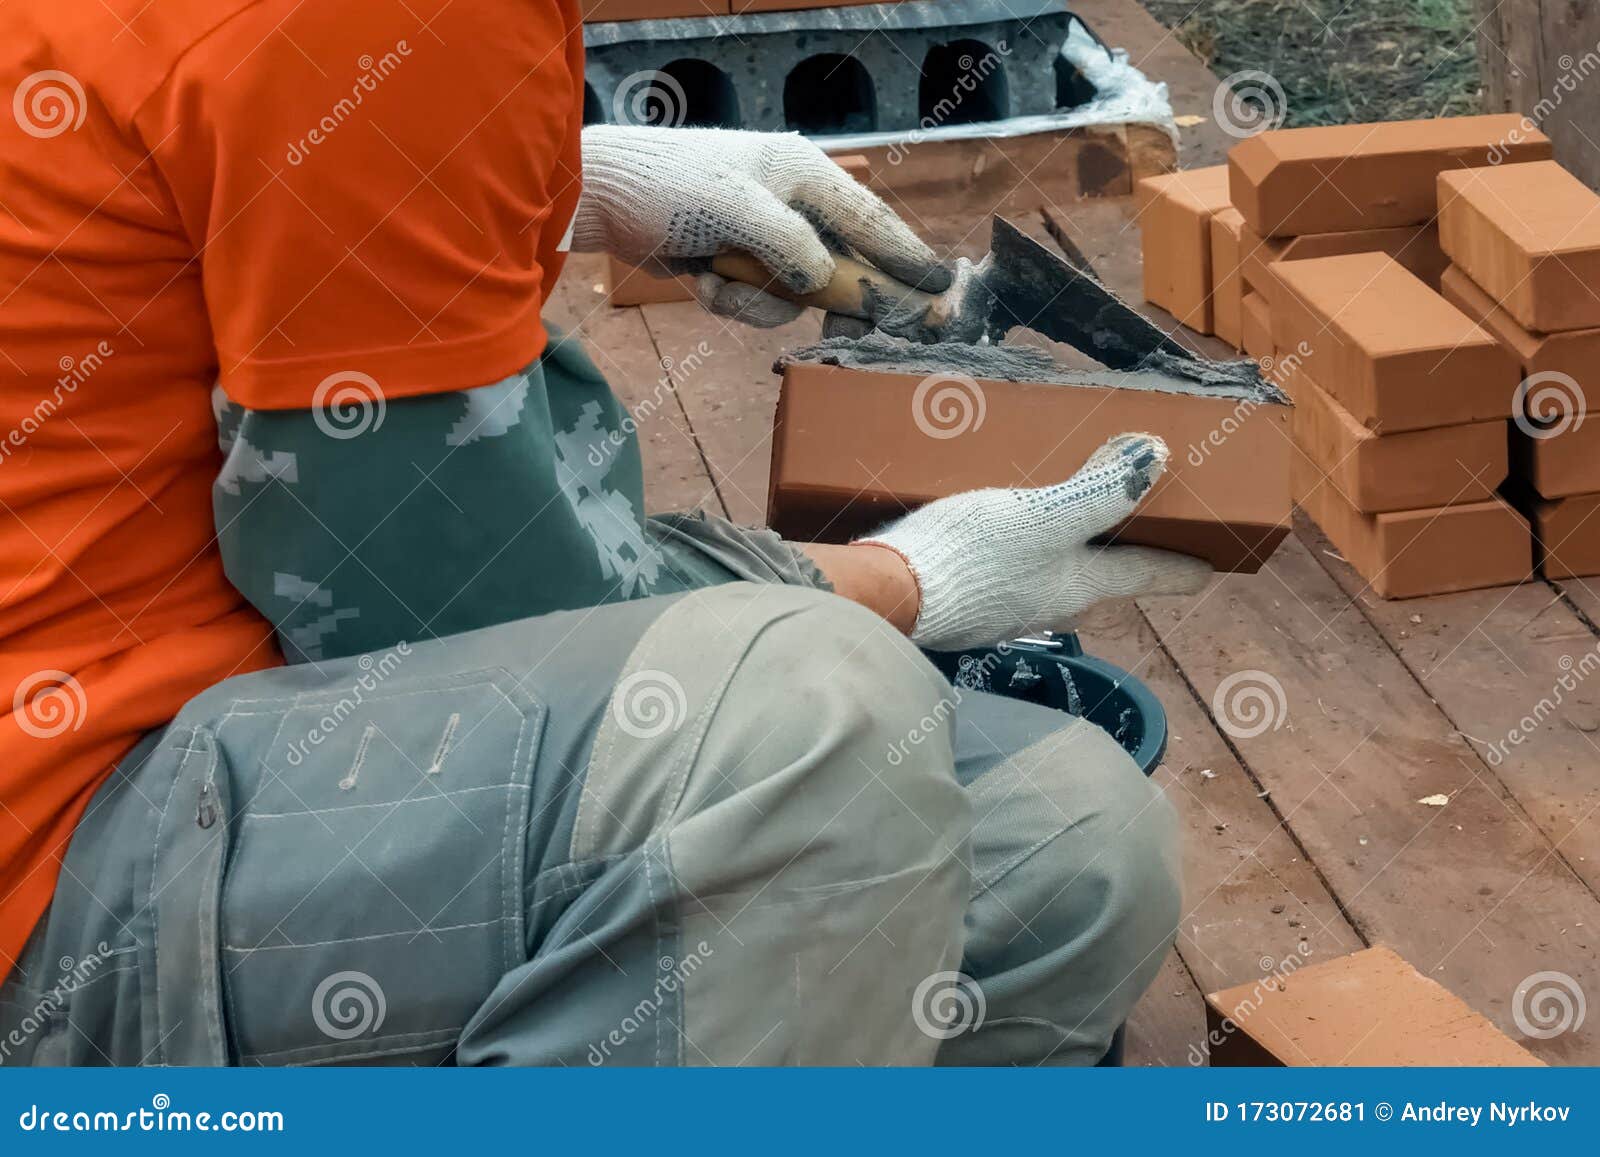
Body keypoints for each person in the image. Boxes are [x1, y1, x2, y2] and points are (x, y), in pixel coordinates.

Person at [0, 1, 1205, 1066]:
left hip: (215, 738)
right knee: (798, 724)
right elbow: (455, 603)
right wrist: (912, 577)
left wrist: (556, 180)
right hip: (61, 868)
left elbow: (211, 152)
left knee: (1071, 850)